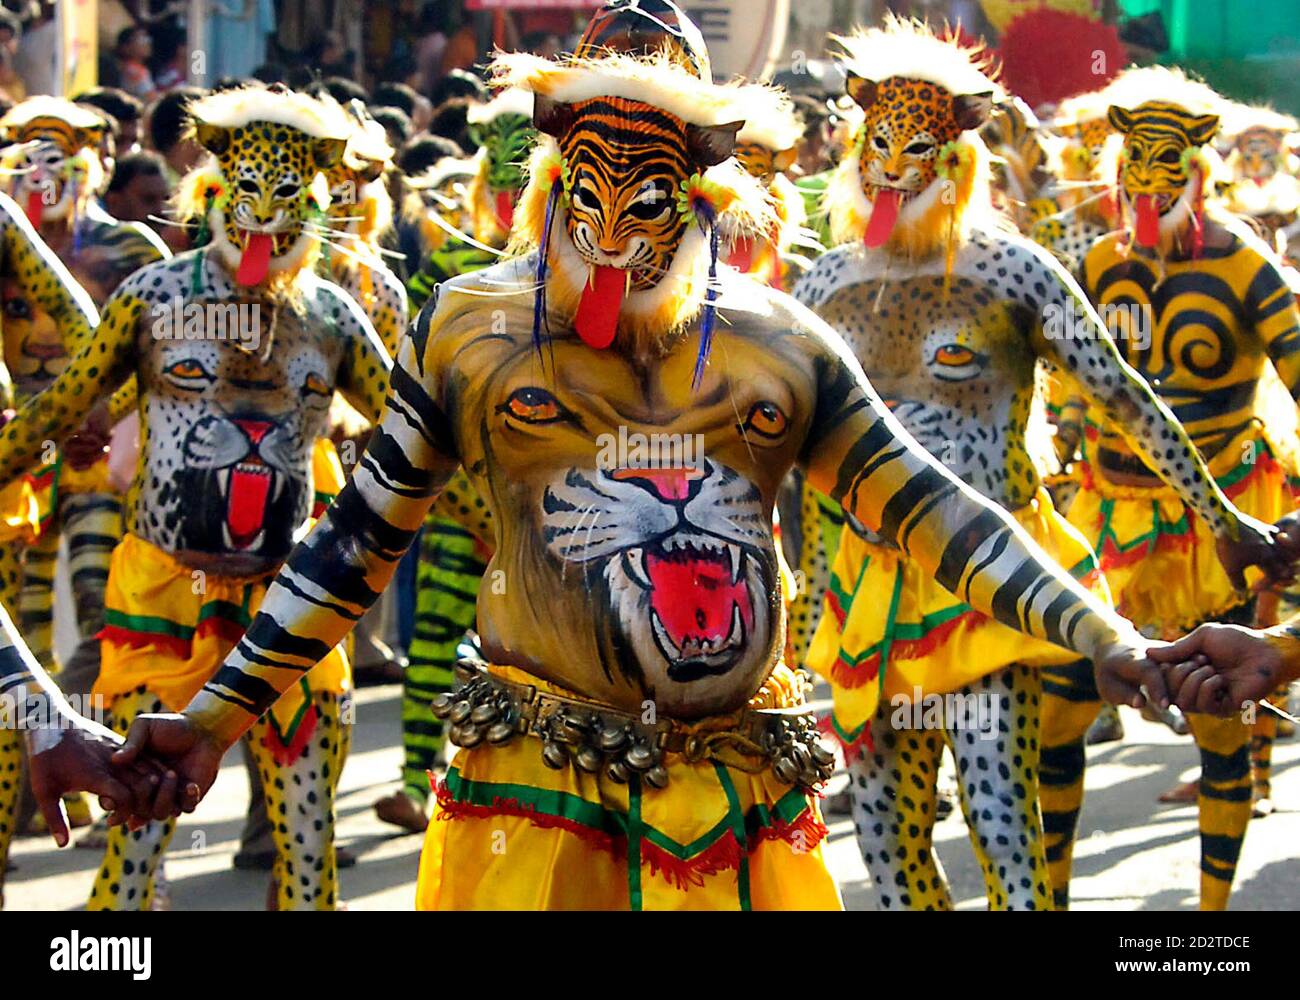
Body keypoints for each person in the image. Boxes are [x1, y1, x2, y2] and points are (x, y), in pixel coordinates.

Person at [111, 2, 1162, 913]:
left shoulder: (780, 342)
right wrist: (213, 716)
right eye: (589, 193)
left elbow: (933, 512)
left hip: (741, 801)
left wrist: (1104, 635)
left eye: (647, 199)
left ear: (704, 193)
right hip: (533, 799)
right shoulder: (473, 326)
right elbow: (358, 540)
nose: (610, 235)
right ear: (552, 178)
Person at [0, 85, 391, 911]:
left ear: (317, 204)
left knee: (310, 847)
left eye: (286, 199)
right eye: (243, 193)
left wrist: (516, 523)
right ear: (213, 192)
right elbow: (60, 407)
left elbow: (418, 453)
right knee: (134, 848)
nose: (260, 219)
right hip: (160, 602)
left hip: (292, 610)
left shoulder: (336, 317)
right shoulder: (152, 298)